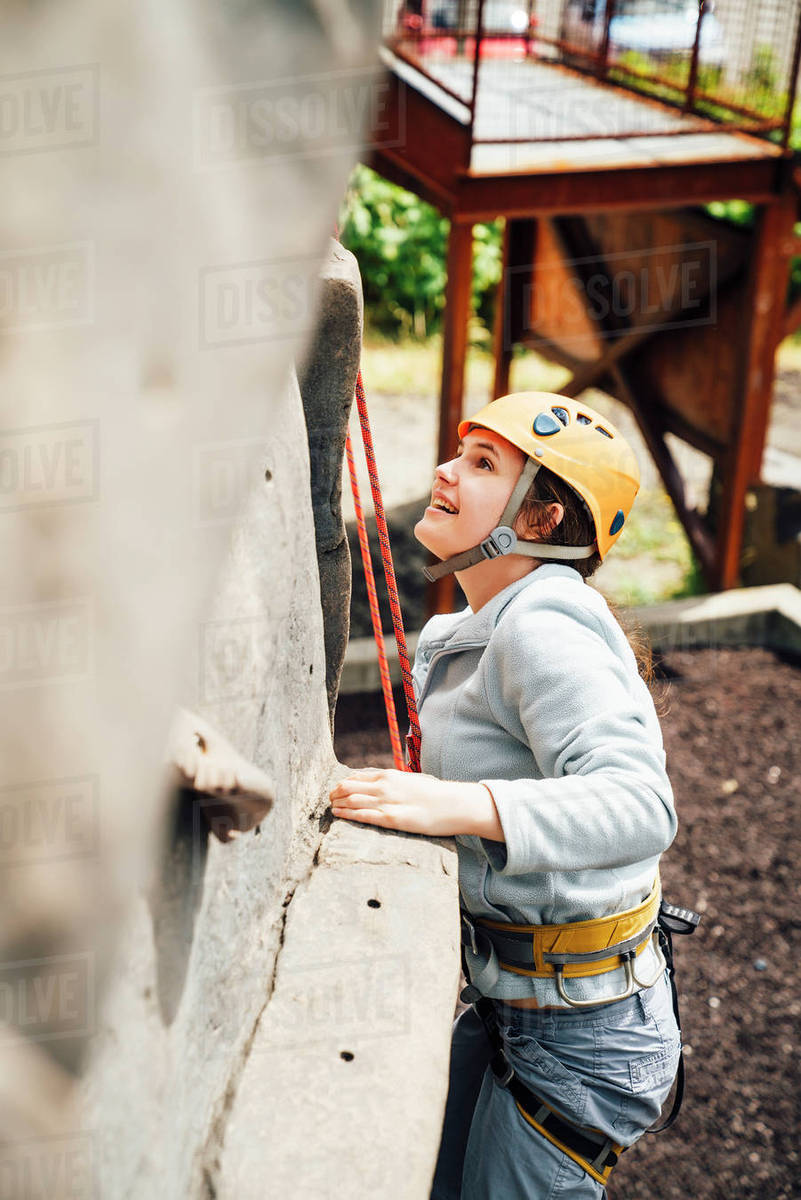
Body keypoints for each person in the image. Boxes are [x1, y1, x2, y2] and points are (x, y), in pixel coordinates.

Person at [329, 391, 682, 1198]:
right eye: (460, 454)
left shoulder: (543, 627)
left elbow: (640, 805)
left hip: (582, 1038)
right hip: (517, 1008)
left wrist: (457, 807)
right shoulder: (474, 629)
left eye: (482, 464)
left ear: (541, 518)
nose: (445, 472)